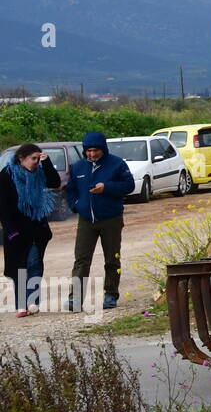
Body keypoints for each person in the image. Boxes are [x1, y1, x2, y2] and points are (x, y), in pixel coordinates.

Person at [66, 131, 134, 311]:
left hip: (111, 218)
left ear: (103, 149)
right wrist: (76, 205)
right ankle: (75, 298)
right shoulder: (79, 167)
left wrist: (107, 187)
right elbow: (71, 189)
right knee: (81, 259)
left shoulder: (117, 164)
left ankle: (111, 294)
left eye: (96, 150)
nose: (92, 154)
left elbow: (129, 186)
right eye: (88, 150)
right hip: (86, 220)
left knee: (112, 259)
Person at [0, 144, 60, 316]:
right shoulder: (6, 175)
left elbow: (55, 182)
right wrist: (10, 230)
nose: (35, 162)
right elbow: (2, 206)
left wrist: (46, 163)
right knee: (19, 267)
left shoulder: (40, 174)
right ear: (21, 158)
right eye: (32, 158)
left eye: (37, 158)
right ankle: (21, 305)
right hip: (16, 231)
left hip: (37, 228)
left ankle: (32, 302)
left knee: (34, 264)